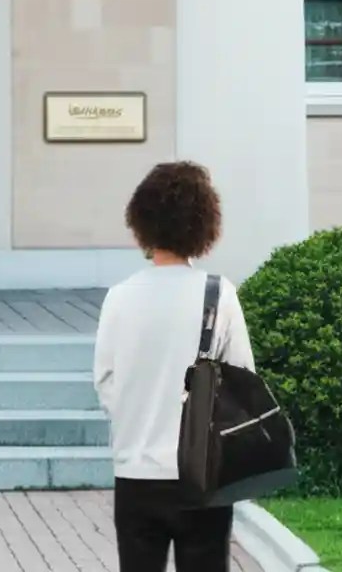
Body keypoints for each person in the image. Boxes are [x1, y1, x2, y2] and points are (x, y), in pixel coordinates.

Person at [93, 161, 256, 572]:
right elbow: (243, 381)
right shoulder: (220, 296)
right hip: (202, 475)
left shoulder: (119, 298)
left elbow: (106, 382)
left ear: (141, 221)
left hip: (135, 471)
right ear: (205, 224)